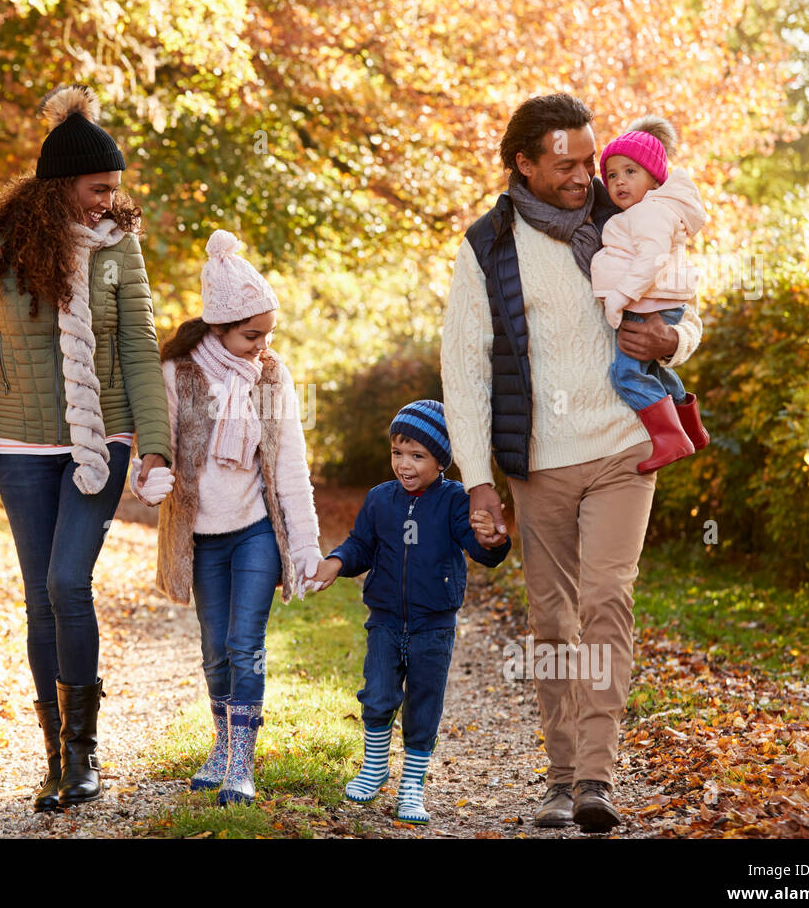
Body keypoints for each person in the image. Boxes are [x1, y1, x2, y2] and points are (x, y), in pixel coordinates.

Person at [441, 93, 704, 832]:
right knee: (554, 621)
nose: (587, 175)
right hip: (541, 462)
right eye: (567, 164)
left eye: (591, 159)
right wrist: (480, 482)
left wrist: (674, 344)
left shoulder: (623, 215)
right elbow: (464, 368)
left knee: (606, 602)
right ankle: (560, 778)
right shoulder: (487, 247)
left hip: (626, 446)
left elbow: (687, 298)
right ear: (523, 163)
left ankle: (595, 777)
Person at [0, 83, 174, 812]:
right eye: (98, 189)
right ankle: (53, 758)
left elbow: (141, 350)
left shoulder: (118, 250)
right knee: (38, 603)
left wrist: (154, 445)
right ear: (57, 188)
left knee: (65, 583)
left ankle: (85, 758)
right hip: (19, 448)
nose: (109, 202)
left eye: (115, 190)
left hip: (99, 439)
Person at [153, 230, 323, 806]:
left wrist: (304, 548)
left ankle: (242, 764)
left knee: (245, 641)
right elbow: (157, 451)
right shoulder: (179, 375)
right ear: (219, 328)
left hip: (255, 531)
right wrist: (148, 479)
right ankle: (222, 744)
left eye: (268, 334)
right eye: (252, 335)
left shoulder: (271, 376)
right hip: (202, 536)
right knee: (214, 648)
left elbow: (291, 467)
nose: (262, 346)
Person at [309, 400, 509, 824]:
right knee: (378, 694)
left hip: (434, 625)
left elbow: (479, 548)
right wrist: (337, 562)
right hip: (384, 618)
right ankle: (375, 766)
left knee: (423, 704)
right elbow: (361, 544)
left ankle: (412, 785)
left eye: (417, 455)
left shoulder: (455, 501)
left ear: (441, 461)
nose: (404, 464)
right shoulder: (380, 499)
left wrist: (491, 541)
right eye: (398, 453)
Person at [591, 115, 711, 472]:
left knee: (625, 375)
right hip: (651, 302)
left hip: (648, 305)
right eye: (612, 175)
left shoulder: (649, 212)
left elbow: (650, 261)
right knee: (652, 375)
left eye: (631, 171)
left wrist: (619, 297)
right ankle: (690, 428)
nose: (619, 181)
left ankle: (670, 438)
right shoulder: (642, 212)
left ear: (656, 178)